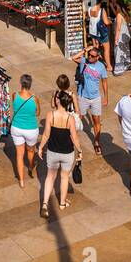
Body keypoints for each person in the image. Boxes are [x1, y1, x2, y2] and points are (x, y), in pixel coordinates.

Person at [37, 86, 80, 218]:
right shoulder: (70, 118)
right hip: (67, 153)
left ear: (58, 101)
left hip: (52, 151)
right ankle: (62, 203)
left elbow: (46, 135)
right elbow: (74, 137)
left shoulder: (50, 115)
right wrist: (80, 150)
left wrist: (40, 147)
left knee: (50, 177)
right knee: (64, 177)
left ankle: (44, 204)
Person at [71, 42, 108, 155]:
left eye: (92, 56)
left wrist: (106, 97)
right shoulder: (84, 61)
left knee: (96, 120)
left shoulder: (101, 67)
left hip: (95, 98)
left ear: (98, 57)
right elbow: (73, 57)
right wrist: (85, 50)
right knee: (78, 118)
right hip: (83, 96)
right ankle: (72, 138)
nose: (90, 57)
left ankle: (96, 142)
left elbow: (104, 82)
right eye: (89, 55)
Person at [8, 74, 42, 189]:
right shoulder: (34, 98)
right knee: (31, 151)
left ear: (21, 83)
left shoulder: (14, 95)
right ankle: (31, 166)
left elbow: (15, 108)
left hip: (16, 128)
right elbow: (37, 113)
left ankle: (21, 181)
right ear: (30, 84)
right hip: (31, 129)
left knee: (19, 155)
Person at [86, 0, 113, 74]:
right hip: (100, 33)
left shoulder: (90, 9)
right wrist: (110, 21)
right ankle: (108, 66)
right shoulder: (101, 10)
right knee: (106, 48)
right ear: (100, 2)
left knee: (95, 47)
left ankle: (93, 62)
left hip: (92, 31)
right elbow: (106, 22)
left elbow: (90, 18)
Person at [107, 0, 131, 74]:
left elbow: (118, 28)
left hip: (120, 35)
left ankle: (118, 69)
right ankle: (126, 64)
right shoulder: (125, 15)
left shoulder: (118, 15)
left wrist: (116, 39)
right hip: (125, 35)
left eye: (116, 6)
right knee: (125, 50)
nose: (115, 7)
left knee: (118, 50)